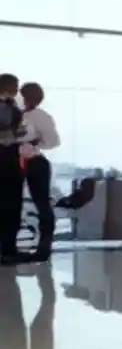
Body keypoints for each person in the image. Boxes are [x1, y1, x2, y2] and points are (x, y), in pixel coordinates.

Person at [18, 83, 59, 261]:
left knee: (42, 203)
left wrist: (34, 143)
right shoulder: (11, 114)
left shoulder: (41, 117)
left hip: (34, 162)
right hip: (11, 162)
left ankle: (45, 246)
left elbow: (53, 141)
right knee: (10, 205)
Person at [0, 75, 25, 265]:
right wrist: (18, 134)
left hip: (11, 161)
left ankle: (9, 249)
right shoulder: (6, 107)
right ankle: (7, 250)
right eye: (14, 86)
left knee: (12, 206)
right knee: (8, 206)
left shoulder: (12, 106)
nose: (17, 89)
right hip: (5, 160)